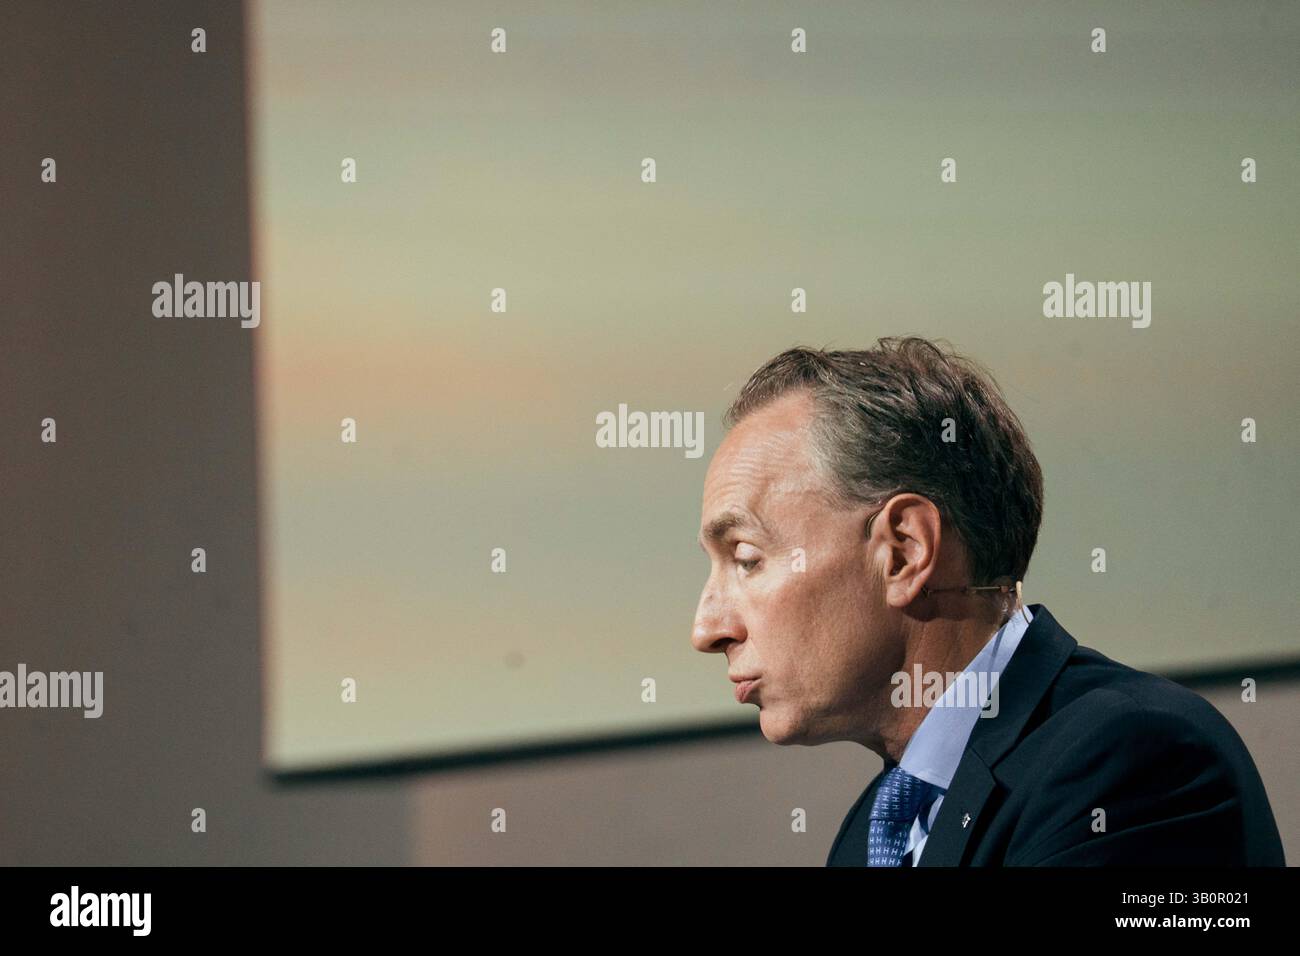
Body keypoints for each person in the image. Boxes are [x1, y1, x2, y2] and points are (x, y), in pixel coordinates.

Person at [691, 337, 1285, 866]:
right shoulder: (871, 832)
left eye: (746, 558)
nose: (707, 628)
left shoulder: (1134, 762)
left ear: (903, 551)